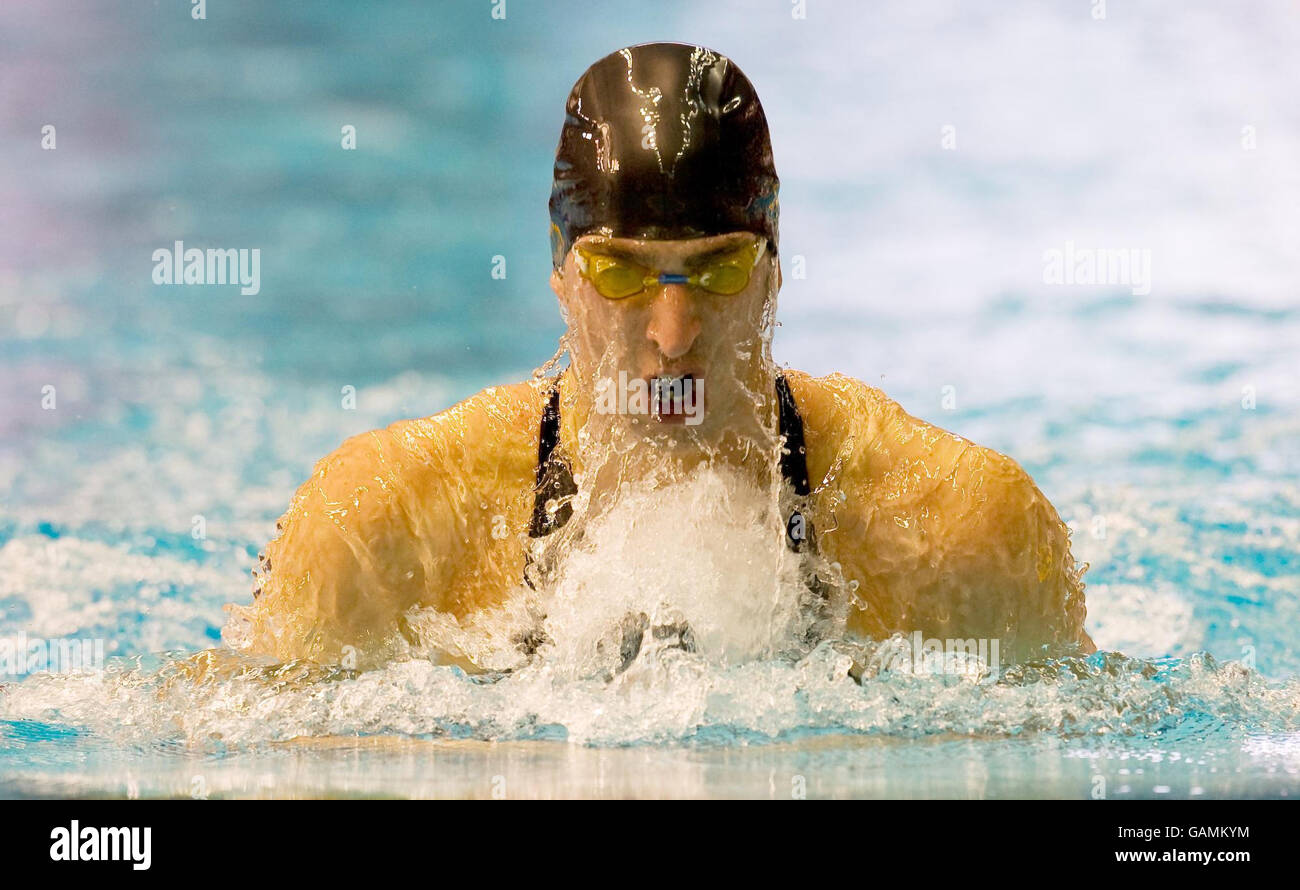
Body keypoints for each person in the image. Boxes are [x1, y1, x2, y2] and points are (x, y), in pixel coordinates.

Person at [224, 42, 1093, 672]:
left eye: (718, 270)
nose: (672, 336)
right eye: (619, 272)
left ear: (774, 272)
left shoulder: (963, 531)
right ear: (560, 270)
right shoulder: (386, 528)